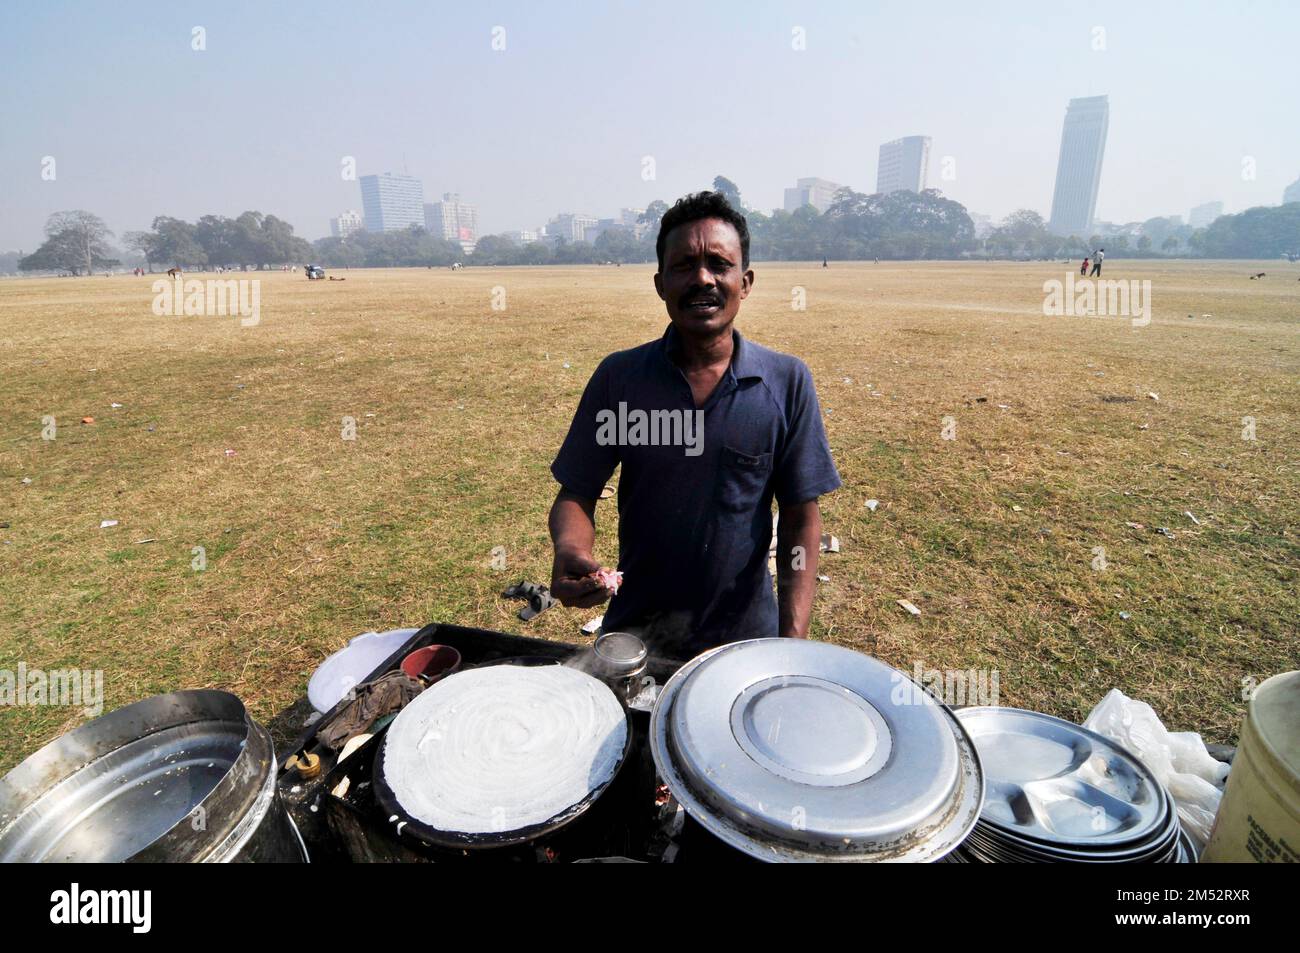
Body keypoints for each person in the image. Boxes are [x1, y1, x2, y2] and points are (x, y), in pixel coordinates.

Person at [548, 191, 841, 661]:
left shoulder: (786, 382)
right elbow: (577, 491)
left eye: (718, 264)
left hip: (747, 638)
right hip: (636, 634)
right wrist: (570, 547)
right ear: (661, 283)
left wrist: (792, 642)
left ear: (744, 282)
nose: (702, 278)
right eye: (684, 265)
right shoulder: (620, 379)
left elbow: (800, 517)